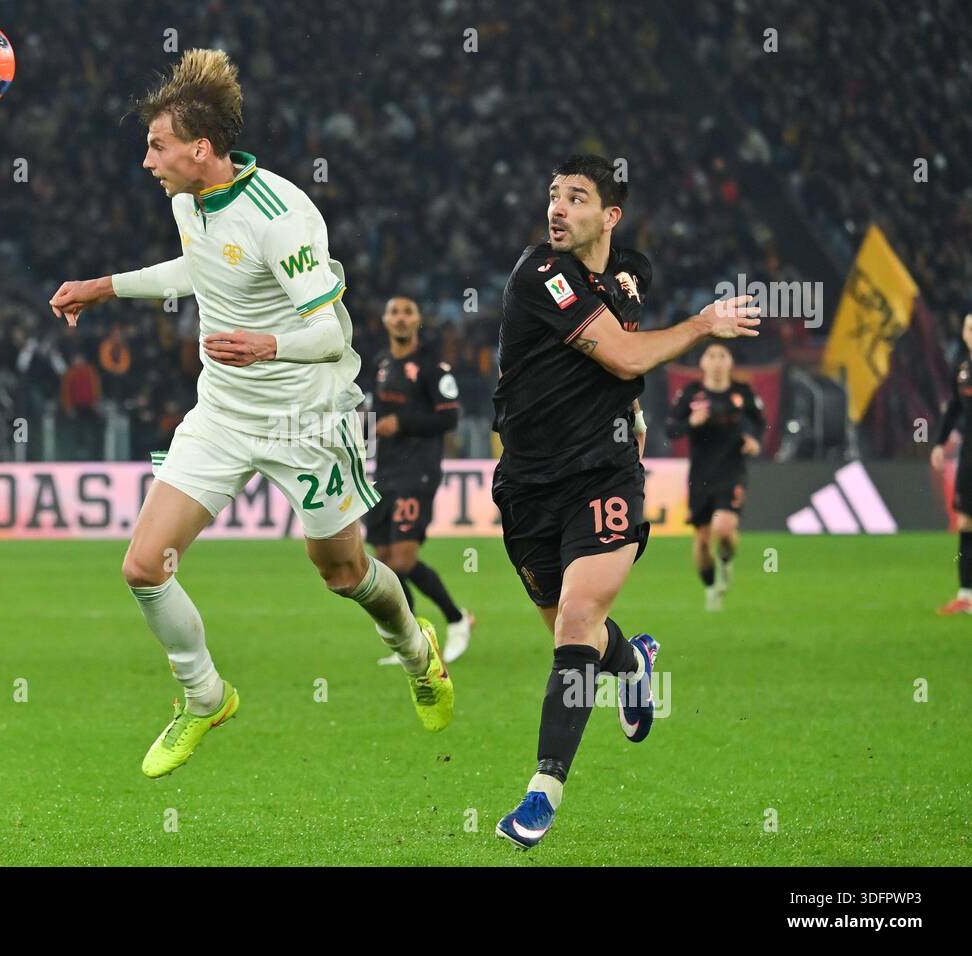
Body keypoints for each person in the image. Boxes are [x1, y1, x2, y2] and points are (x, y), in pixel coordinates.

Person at [49, 50, 453, 779]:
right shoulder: (186, 200)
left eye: (157, 146)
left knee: (342, 572)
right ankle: (204, 695)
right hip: (224, 412)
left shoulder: (285, 215)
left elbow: (331, 335)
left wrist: (268, 344)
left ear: (200, 149)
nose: (147, 160)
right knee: (144, 565)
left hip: (306, 419)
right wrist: (104, 286)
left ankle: (417, 653)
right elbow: (198, 271)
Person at [490, 154, 759, 849]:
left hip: (604, 479)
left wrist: (629, 412)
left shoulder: (628, 272)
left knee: (576, 621)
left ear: (608, 216)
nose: (557, 208)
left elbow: (623, 361)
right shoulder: (539, 274)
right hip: (526, 487)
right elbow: (624, 356)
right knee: (574, 630)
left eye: (575, 197)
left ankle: (542, 792)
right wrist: (701, 326)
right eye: (552, 195)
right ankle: (634, 663)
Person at [365, 295, 474, 664]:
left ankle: (457, 618)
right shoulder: (380, 364)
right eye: (393, 311)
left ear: (417, 321)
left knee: (403, 559)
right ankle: (411, 640)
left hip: (419, 470)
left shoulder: (432, 366)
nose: (400, 318)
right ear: (384, 319)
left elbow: (449, 418)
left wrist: (404, 423)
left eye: (407, 312)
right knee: (382, 558)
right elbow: (373, 415)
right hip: (385, 471)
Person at [665, 342, 765, 611]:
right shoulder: (691, 393)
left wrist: (754, 440)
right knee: (703, 540)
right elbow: (671, 429)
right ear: (703, 364)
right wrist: (691, 423)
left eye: (723, 356)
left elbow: (759, 422)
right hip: (701, 475)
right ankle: (710, 589)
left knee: (724, 528)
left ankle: (727, 559)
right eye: (712, 356)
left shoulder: (742, 392)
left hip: (732, 471)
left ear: (730, 363)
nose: (718, 361)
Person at [931, 312, 972, 615]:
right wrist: (938, 443)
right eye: (969, 327)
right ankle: (966, 595)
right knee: (965, 522)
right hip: (969, 456)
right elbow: (952, 409)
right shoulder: (962, 370)